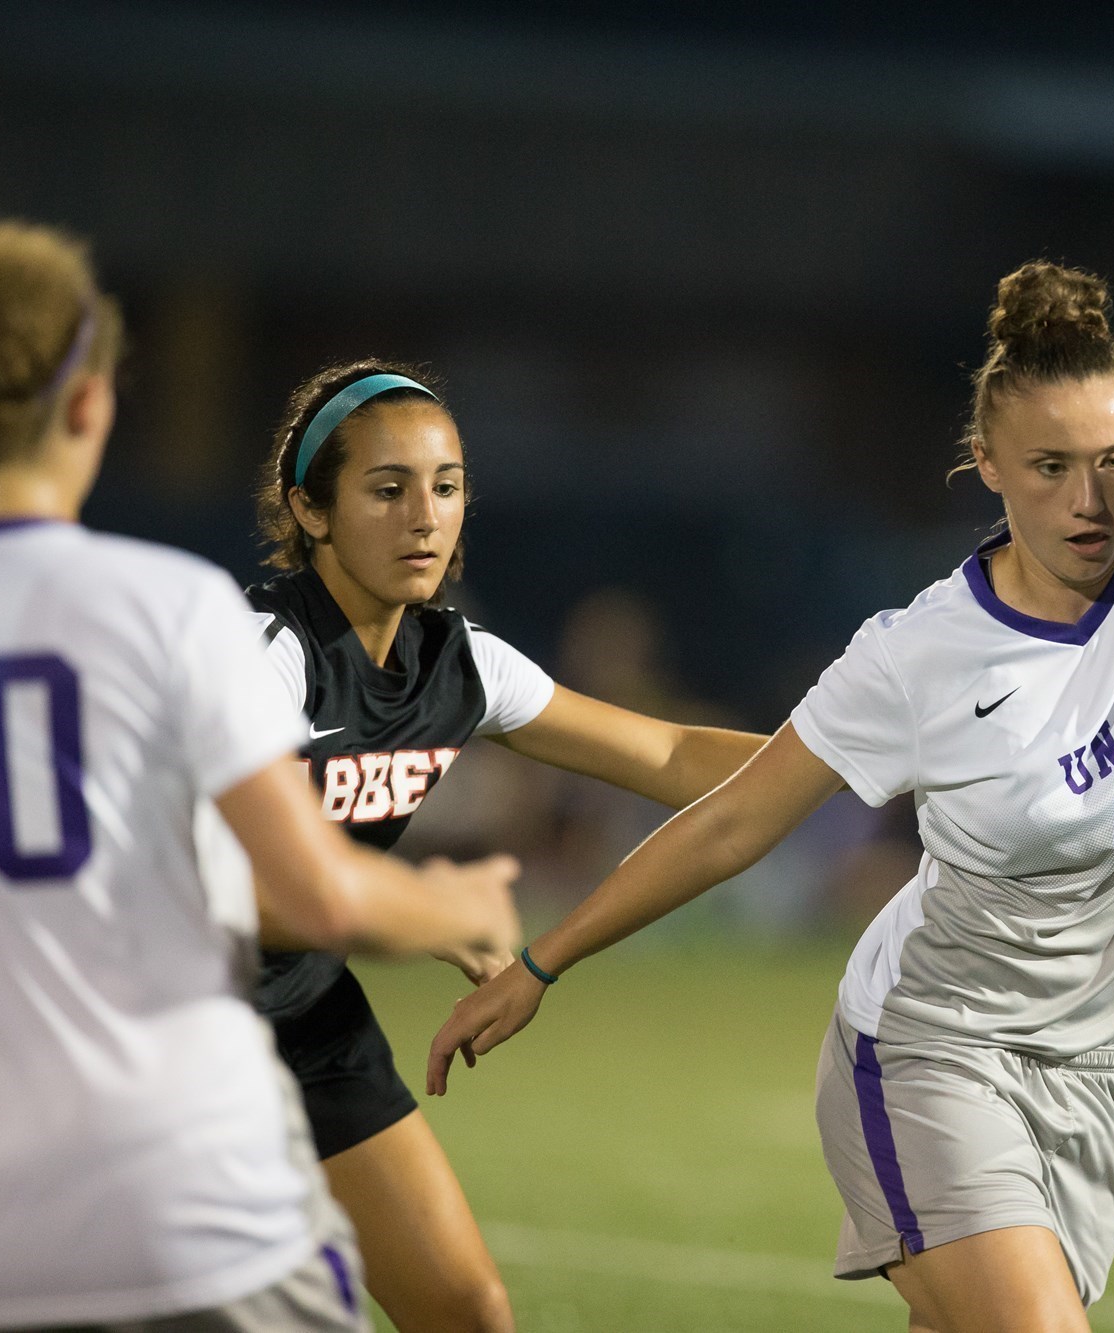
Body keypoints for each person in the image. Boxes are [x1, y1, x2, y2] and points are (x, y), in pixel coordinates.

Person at [430, 88, 1114, 1332]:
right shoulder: (918, 652)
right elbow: (732, 820)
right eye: (1049, 467)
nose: (1091, 499)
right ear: (986, 465)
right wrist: (547, 959)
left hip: (1103, 1068)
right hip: (931, 1050)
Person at [0, 198, 520, 1332]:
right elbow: (302, 885)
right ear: (90, 402)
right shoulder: (174, 608)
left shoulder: (440, 657)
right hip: (176, 1187)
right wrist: (441, 903)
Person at [246, 358, 766, 1332]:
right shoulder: (262, 654)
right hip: (171, 1022)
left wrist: (861, 755)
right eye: (387, 488)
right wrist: (430, 911)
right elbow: (259, 874)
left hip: (307, 1016)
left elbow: (665, 749)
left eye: (444, 487)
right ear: (310, 511)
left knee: (467, 1311)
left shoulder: (456, 661)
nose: (424, 516)